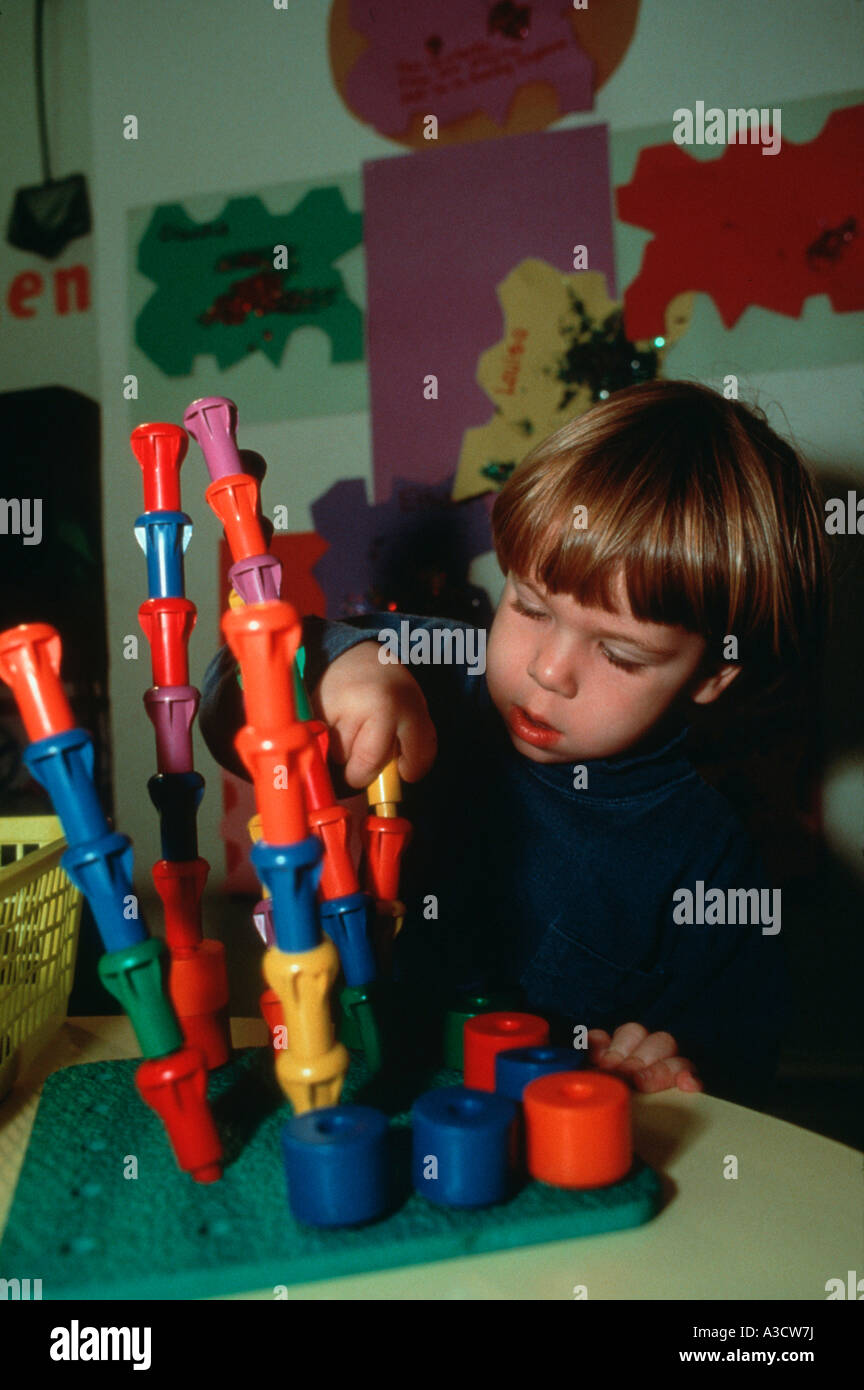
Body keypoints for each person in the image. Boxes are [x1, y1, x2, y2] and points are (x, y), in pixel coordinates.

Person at [199, 380, 829, 1108]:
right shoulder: (431, 674)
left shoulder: (711, 859)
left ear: (713, 674)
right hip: (344, 1103)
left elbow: (739, 1077)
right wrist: (343, 666)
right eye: (529, 606)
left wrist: (665, 1071)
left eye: (620, 655)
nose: (547, 669)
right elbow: (226, 695)